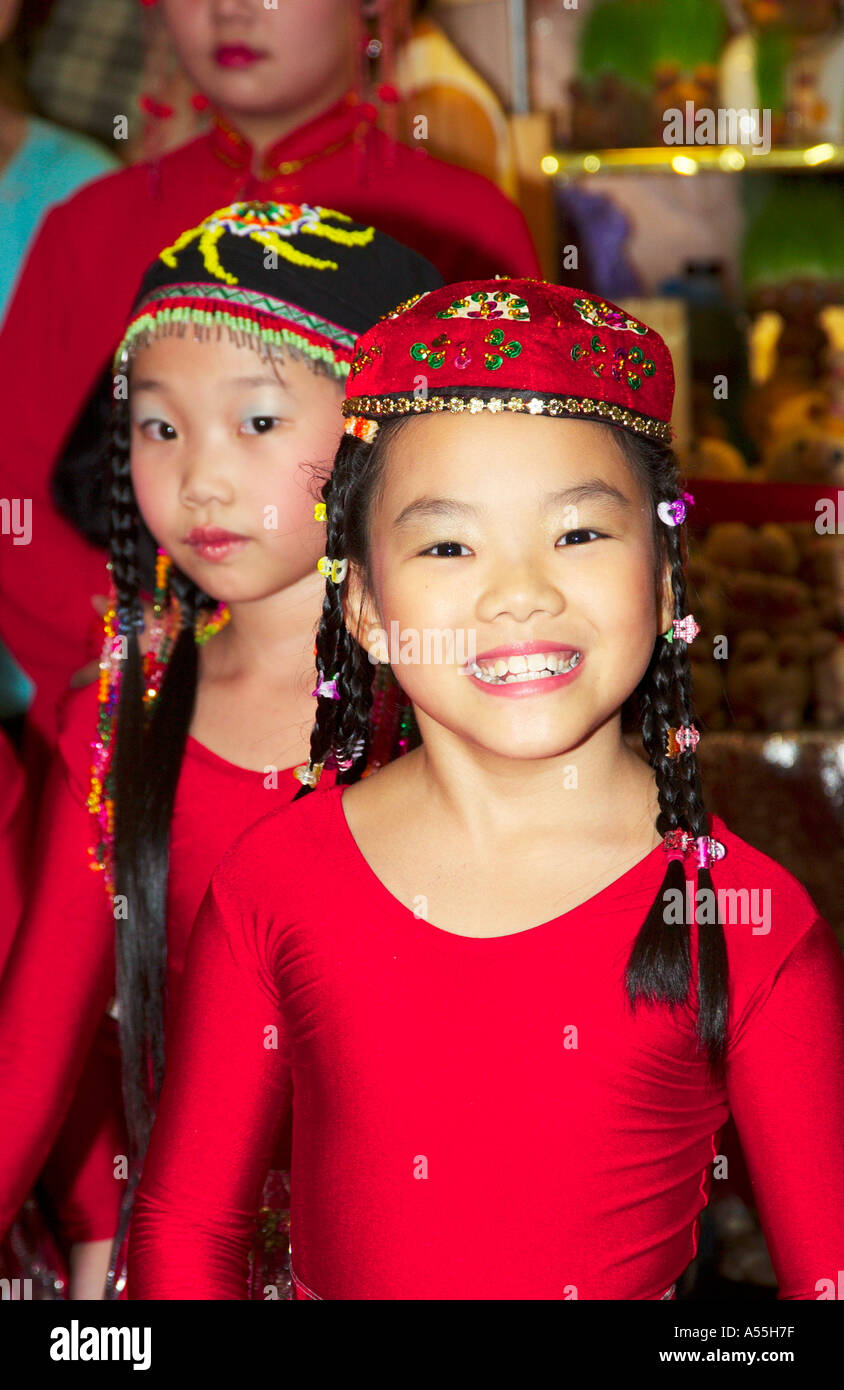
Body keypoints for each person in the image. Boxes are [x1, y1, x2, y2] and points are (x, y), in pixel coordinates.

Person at [128, 280, 844, 1300]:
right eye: (449, 545)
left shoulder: (748, 920)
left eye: (580, 535)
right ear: (367, 607)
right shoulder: (277, 878)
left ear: (667, 578)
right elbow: (186, 1229)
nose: (520, 591)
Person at [0, 202, 441, 1299]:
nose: (197, 479)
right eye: (159, 428)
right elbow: (30, 1057)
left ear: (388, 431)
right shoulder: (123, 718)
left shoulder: (460, 703)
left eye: (255, 425)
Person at [0, 0, 540, 781]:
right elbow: (13, 496)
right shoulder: (90, 225)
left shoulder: (466, 223)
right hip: (141, 741)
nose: (230, 10)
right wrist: (139, 650)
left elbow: (520, 492)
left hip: (421, 735)